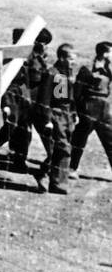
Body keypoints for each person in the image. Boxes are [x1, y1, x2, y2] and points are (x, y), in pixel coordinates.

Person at [0, 27, 53, 172]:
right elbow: (11, 79)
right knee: (16, 128)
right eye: (43, 43)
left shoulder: (39, 56)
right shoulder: (21, 57)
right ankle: (14, 158)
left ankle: (50, 161)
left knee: (39, 130)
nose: (45, 46)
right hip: (19, 97)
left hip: (37, 99)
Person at [35, 43, 80, 194]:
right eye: (71, 59)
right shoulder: (52, 73)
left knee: (61, 148)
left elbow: (71, 97)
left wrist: (74, 114)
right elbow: (45, 99)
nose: (73, 62)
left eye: (74, 59)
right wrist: (47, 120)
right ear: (61, 58)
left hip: (67, 115)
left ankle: (44, 174)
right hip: (56, 114)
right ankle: (57, 183)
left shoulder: (67, 73)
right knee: (63, 147)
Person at [71, 41, 112, 179]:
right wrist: (77, 110)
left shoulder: (109, 69)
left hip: (104, 109)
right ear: (105, 53)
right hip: (89, 108)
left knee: (110, 140)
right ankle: (71, 167)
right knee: (79, 140)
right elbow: (77, 91)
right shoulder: (87, 68)